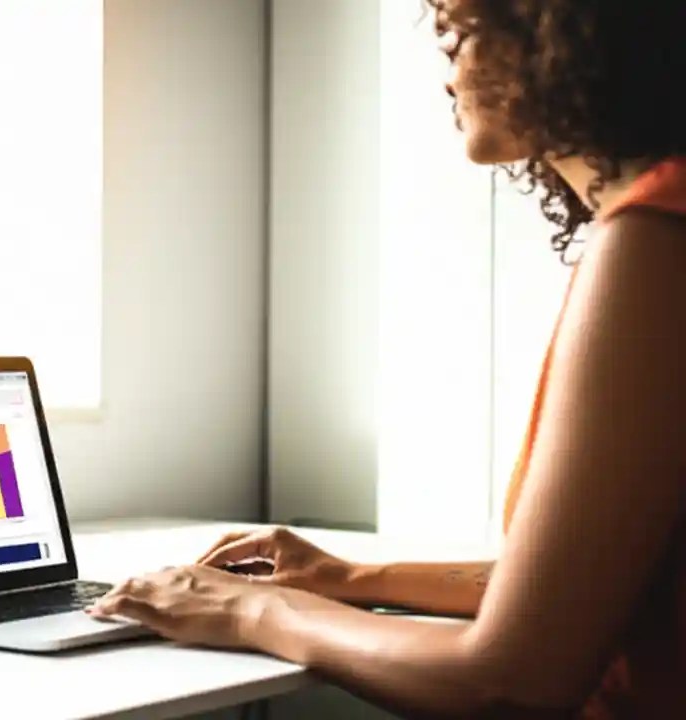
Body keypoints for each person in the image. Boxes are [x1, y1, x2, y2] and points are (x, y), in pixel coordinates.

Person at [87, 1, 686, 716]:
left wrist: (249, 612)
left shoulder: (656, 235)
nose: (448, 74)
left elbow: (508, 681)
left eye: (457, 33)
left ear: (563, 39)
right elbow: (592, 587)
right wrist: (352, 576)